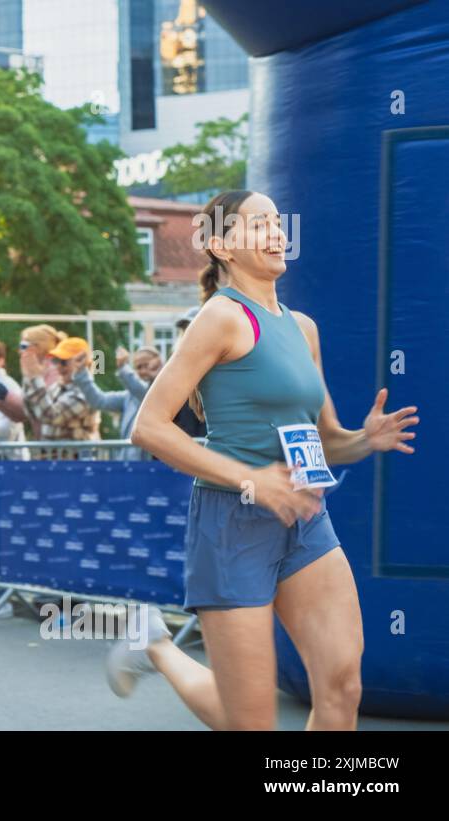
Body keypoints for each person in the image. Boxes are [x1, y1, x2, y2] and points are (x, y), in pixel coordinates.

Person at [111, 190, 418, 730]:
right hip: (232, 525)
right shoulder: (222, 318)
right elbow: (150, 426)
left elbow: (325, 440)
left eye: (279, 223)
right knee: (249, 722)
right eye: (259, 225)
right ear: (222, 246)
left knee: (343, 687)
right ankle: (157, 647)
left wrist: (364, 439)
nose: (277, 233)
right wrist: (253, 478)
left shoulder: (303, 328)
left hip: (303, 521)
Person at [72, 345, 161, 460]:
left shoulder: (161, 394)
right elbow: (99, 400)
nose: (143, 371)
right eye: (139, 367)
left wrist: (123, 368)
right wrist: (81, 372)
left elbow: (146, 394)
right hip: (128, 464)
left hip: (151, 466)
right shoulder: (129, 397)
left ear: (158, 366)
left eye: (147, 366)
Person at [20, 336, 100, 459]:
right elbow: (32, 412)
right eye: (56, 361)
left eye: (64, 362)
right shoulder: (56, 388)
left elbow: (52, 416)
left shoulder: (84, 394)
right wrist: (29, 378)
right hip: (53, 463)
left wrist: (36, 378)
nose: (59, 367)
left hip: (75, 466)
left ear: (83, 362)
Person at [171, 307, 208, 438]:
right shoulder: (174, 372)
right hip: (186, 450)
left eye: (192, 329)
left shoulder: (220, 368)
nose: (186, 334)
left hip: (212, 449)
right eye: (184, 330)